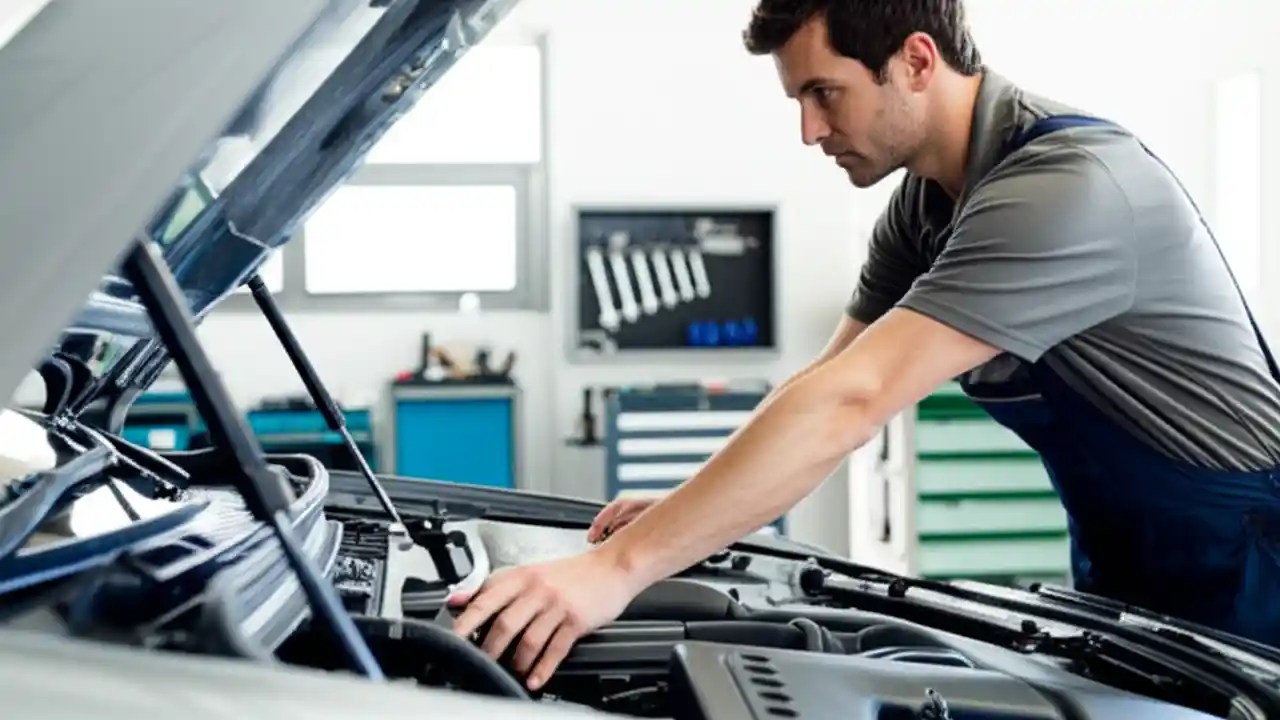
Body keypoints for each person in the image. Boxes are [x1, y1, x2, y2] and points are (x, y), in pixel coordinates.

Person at [449, 0, 1280, 689]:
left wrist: (615, 573)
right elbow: (825, 381)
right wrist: (679, 516)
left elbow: (854, 403)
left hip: (1250, 563)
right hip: (1127, 559)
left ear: (917, 60)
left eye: (825, 93)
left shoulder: (1068, 189)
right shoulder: (926, 206)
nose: (810, 131)